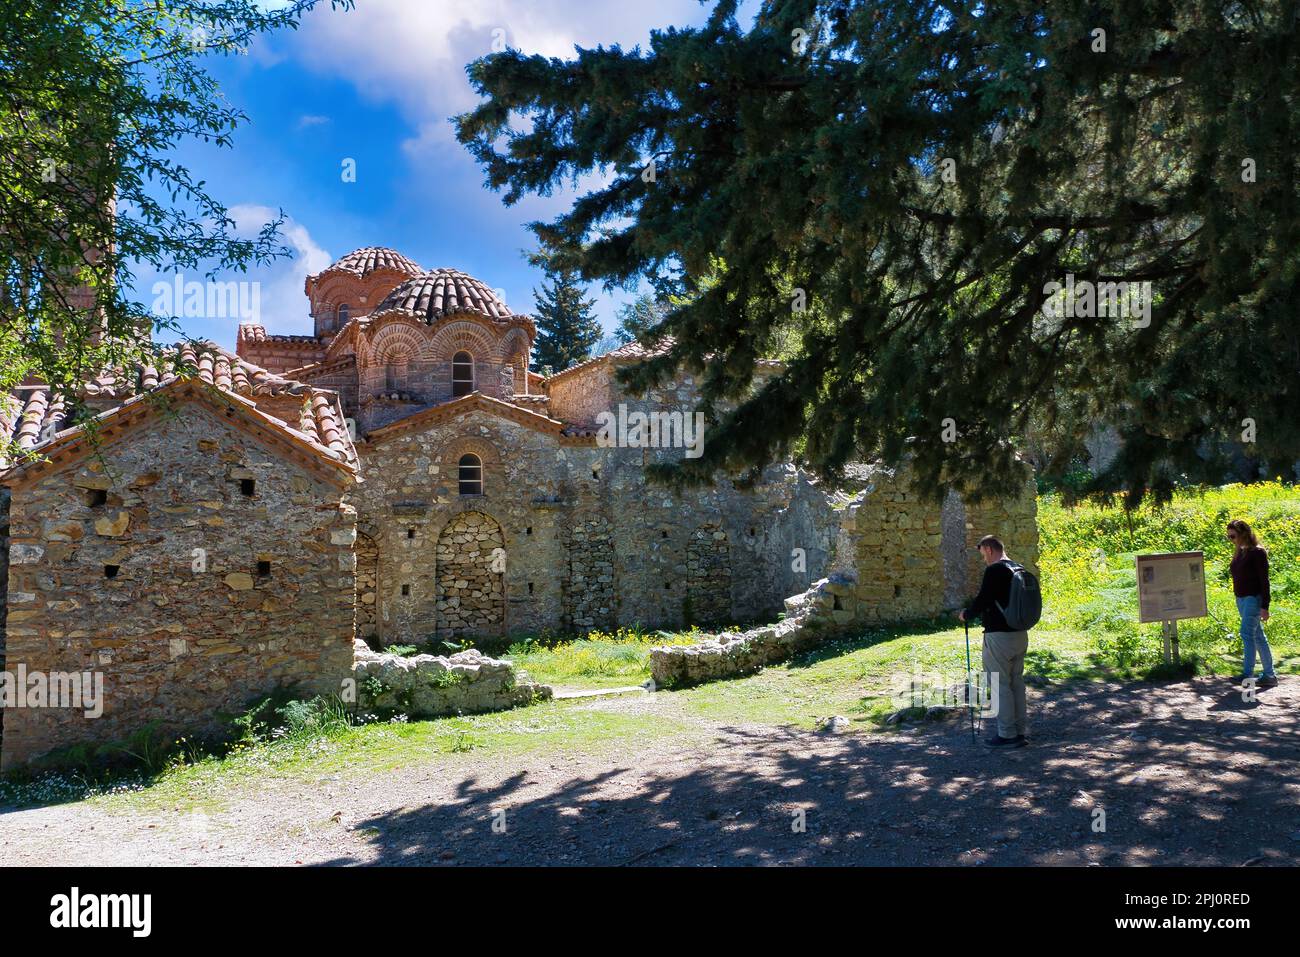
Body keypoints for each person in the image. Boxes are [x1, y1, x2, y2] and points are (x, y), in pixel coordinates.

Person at [958, 535, 1028, 748]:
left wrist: (966, 614)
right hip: (1020, 634)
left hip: (998, 636)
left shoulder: (995, 570)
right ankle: (1020, 730)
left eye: (982, 555)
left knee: (999, 684)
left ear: (988, 549)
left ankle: (1007, 734)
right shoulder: (1018, 568)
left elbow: (983, 599)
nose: (984, 560)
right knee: (1016, 682)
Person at [1226, 519, 1278, 689]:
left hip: (1252, 599)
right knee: (1258, 637)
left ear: (1243, 534)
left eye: (1233, 536)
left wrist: (1265, 606)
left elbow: (1264, 580)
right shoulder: (1240, 552)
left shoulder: (1257, 552)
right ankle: (1269, 675)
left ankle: (1247, 674)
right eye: (1229, 537)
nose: (1231, 540)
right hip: (1241, 599)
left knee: (1246, 634)